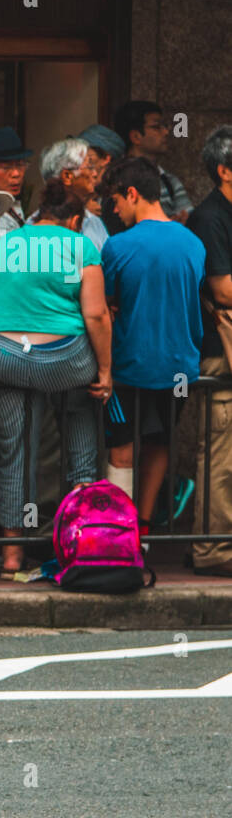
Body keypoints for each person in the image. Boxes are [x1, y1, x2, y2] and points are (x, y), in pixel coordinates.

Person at [0, 178, 112, 577]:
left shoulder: (3, 243)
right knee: (82, 412)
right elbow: (96, 315)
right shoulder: (80, 245)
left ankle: (12, 555)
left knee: (12, 450)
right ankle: (83, 542)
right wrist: (105, 372)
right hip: (64, 360)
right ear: (74, 218)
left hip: (2, 355)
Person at [98, 157, 204, 537]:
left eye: (116, 201)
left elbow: (106, 304)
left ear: (132, 193)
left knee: (121, 447)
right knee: (160, 442)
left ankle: (118, 534)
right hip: (180, 365)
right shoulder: (193, 243)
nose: (114, 210)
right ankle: (141, 529)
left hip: (130, 364)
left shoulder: (117, 246)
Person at [185, 126, 232, 574]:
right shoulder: (211, 217)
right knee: (220, 452)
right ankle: (213, 548)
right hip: (219, 352)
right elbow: (223, 289)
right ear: (224, 171)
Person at [114, 100, 192, 219]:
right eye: (156, 127)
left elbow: (187, 218)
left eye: (165, 126)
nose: (166, 132)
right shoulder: (114, 178)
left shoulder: (168, 181)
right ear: (136, 136)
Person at [35, 139, 109, 250]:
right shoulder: (39, 223)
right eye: (89, 167)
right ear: (67, 176)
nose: (95, 174)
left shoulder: (94, 221)